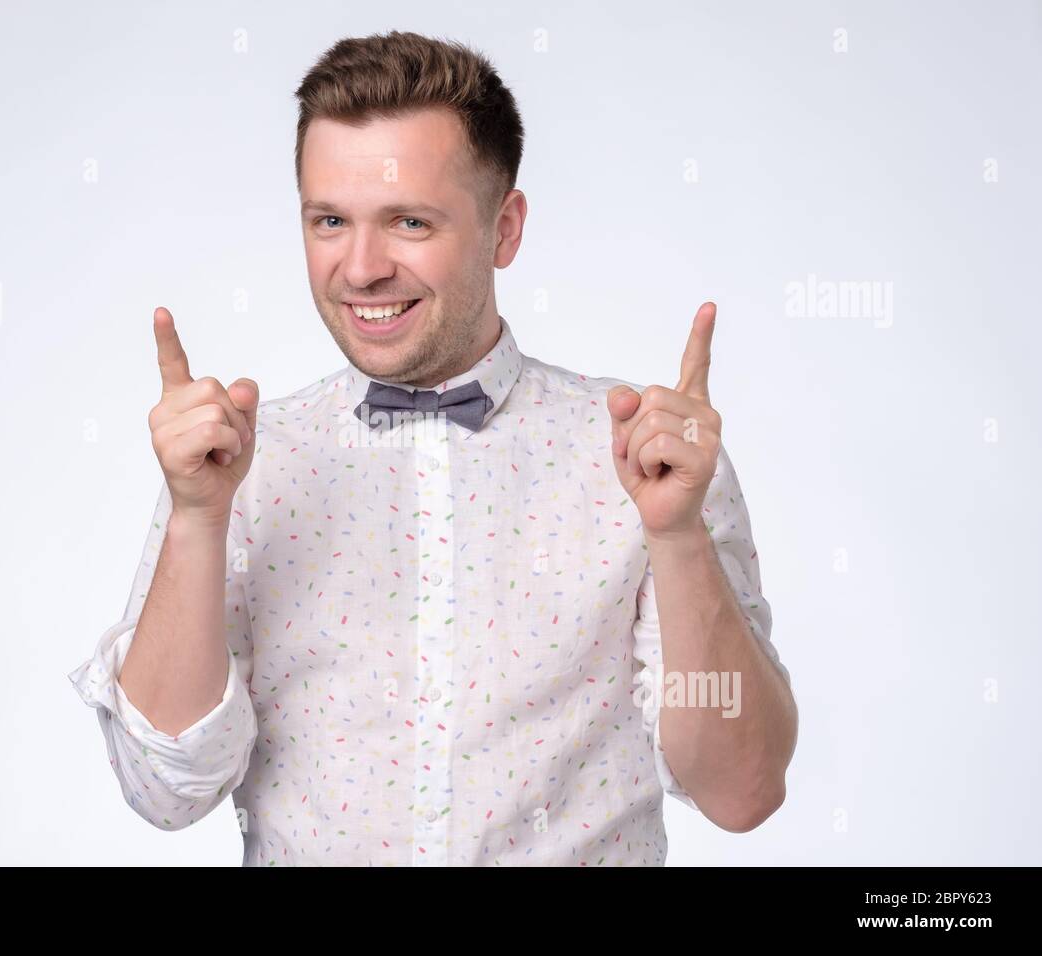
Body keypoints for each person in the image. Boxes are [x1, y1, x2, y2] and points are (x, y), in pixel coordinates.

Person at [69, 30, 797, 866]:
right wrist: (197, 521)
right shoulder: (235, 467)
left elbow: (742, 791)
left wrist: (678, 538)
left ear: (505, 229)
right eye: (330, 221)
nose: (362, 267)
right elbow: (167, 793)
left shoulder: (646, 458)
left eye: (409, 221)